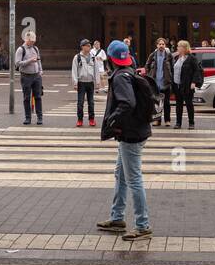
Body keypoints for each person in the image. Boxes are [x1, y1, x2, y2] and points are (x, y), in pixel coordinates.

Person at [95, 40, 153, 242]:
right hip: (136, 131)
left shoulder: (120, 77)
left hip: (130, 135)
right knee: (120, 175)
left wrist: (113, 120)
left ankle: (142, 225)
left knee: (134, 179)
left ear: (110, 58)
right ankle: (117, 218)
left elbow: (127, 103)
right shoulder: (129, 71)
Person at [172, 39, 203, 129]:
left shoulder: (191, 58)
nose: (177, 48)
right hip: (177, 85)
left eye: (179, 46)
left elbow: (197, 71)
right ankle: (178, 123)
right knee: (178, 105)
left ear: (184, 48)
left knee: (189, 104)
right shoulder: (177, 58)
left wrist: (194, 82)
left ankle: (191, 123)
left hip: (187, 85)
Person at [15, 29, 43, 125]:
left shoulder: (35, 48)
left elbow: (38, 60)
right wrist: (30, 60)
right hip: (26, 76)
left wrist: (40, 70)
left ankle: (40, 117)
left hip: (36, 76)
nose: (33, 43)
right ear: (27, 40)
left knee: (38, 97)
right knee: (27, 97)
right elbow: (18, 63)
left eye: (34, 41)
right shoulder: (20, 50)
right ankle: (28, 118)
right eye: (31, 41)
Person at [145, 37, 174, 126]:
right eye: (159, 44)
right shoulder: (152, 55)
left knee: (166, 103)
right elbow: (147, 66)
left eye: (163, 44)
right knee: (156, 103)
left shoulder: (169, 55)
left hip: (166, 82)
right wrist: (150, 76)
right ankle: (157, 120)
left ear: (165, 45)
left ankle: (167, 120)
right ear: (157, 45)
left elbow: (172, 68)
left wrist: (171, 78)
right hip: (155, 83)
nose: (161, 46)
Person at [72, 39, 98, 127]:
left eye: (90, 45)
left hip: (90, 82)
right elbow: (74, 71)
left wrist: (97, 82)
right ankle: (80, 119)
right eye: (87, 45)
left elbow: (96, 70)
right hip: (81, 83)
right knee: (80, 103)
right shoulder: (77, 57)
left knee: (91, 103)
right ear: (82, 46)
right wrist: (75, 83)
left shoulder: (93, 57)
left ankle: (91, 119)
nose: (89, 47)